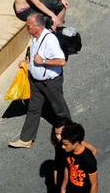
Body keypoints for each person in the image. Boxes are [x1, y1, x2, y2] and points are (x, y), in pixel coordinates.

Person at [9, 13, 72, 148]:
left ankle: (71, 135)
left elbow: (62, 61)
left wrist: (42, 61)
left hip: (50, 82)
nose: (27, 28)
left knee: (60, 110)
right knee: (33, 109)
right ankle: (26, 139)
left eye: (28, 26)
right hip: (36, 82)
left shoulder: (50, 40)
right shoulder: (34, 38)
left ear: (37, 27)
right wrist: (26, 62)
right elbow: (33, 55)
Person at [56, 121, 100, 193]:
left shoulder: (88, 159)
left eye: (66, 144)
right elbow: (68, 168)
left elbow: (94, 185)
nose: (63, 147)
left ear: (76, 143)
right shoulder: (68, 151)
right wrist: (63, 188)